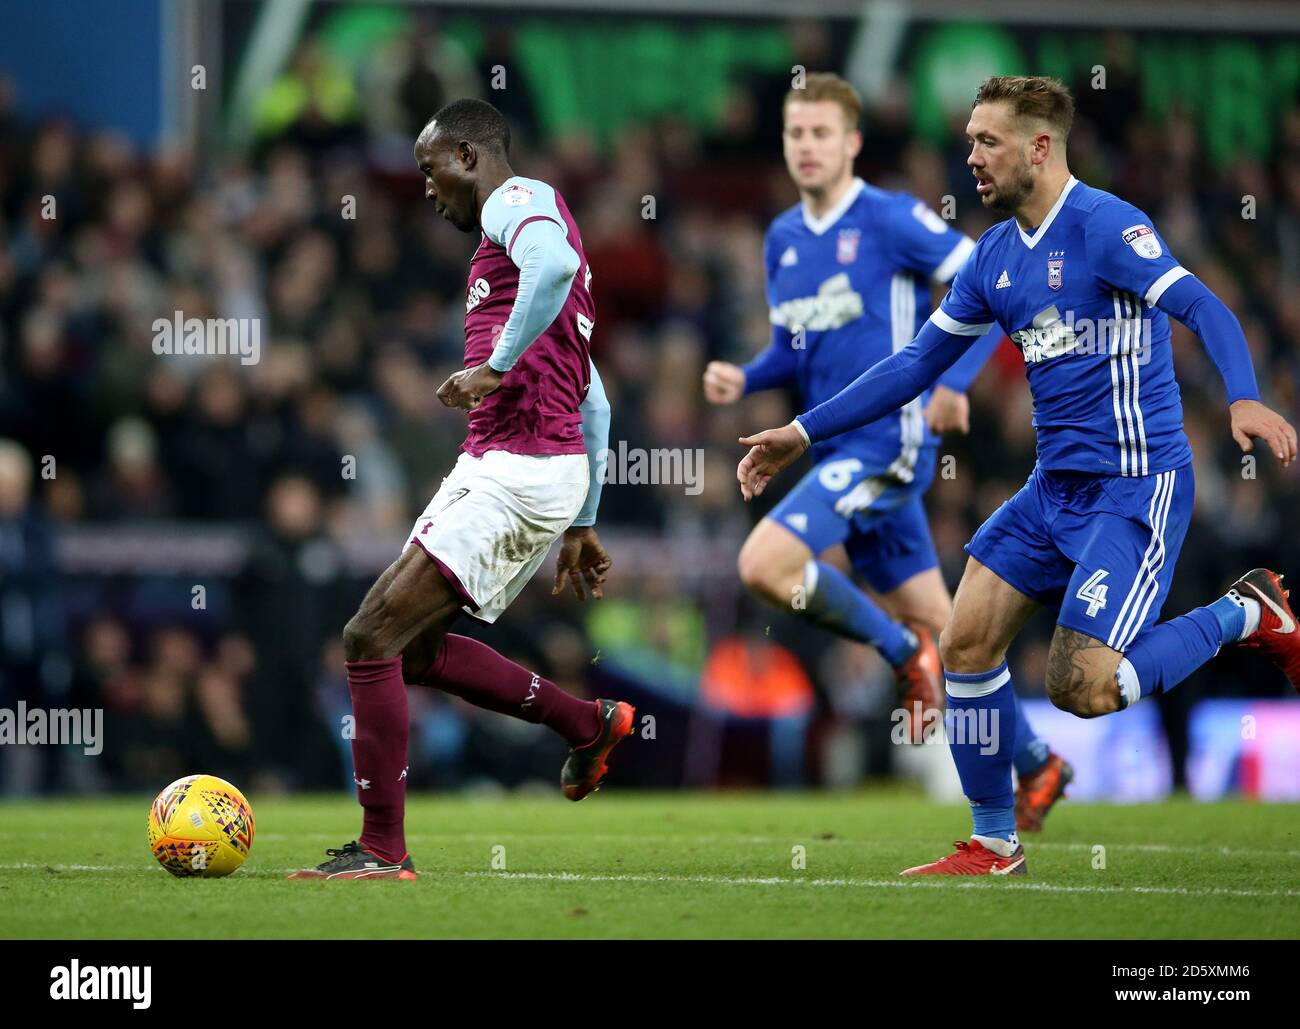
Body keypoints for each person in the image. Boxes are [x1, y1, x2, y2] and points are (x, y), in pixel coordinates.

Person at [736, 76, 1299, 876]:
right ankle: (994, 842)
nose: (970, 156)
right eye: (968, 139)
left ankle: (1246, 612)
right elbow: (912, 366)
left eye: (986, 141)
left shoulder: (1108, 227)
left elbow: (1207, 309)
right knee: (963, 643)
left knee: (1083, 687)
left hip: (1134, 489)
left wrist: (1244, 395)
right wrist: (800, 429)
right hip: (1051, 490)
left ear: (1040, 147)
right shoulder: (995, 256)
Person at [706, 73, 1070, 823]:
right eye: (795, 134)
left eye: (821, 134)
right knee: (956, 632)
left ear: (852, 143)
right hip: (835, 445)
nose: (807, 148)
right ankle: (1037, 763)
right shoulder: (781, 239)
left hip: (883, 443)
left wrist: (954, 379)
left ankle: (902, 657)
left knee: (763, 564)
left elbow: (989, 278)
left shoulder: (890, 219)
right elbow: (793, 348)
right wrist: (745, 374)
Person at [291, 99, 632, 880]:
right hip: (518, 465)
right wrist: (583, 519)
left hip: (516, 465)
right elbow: (596, 397)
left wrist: (495, 367)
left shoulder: (520, 203)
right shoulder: (517, 243)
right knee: (409, 649)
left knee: (366, 636)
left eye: (430, 167)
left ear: (471, 157)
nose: (426, 186)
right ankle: (588, 723)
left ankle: (381, 849)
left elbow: (548, 267)